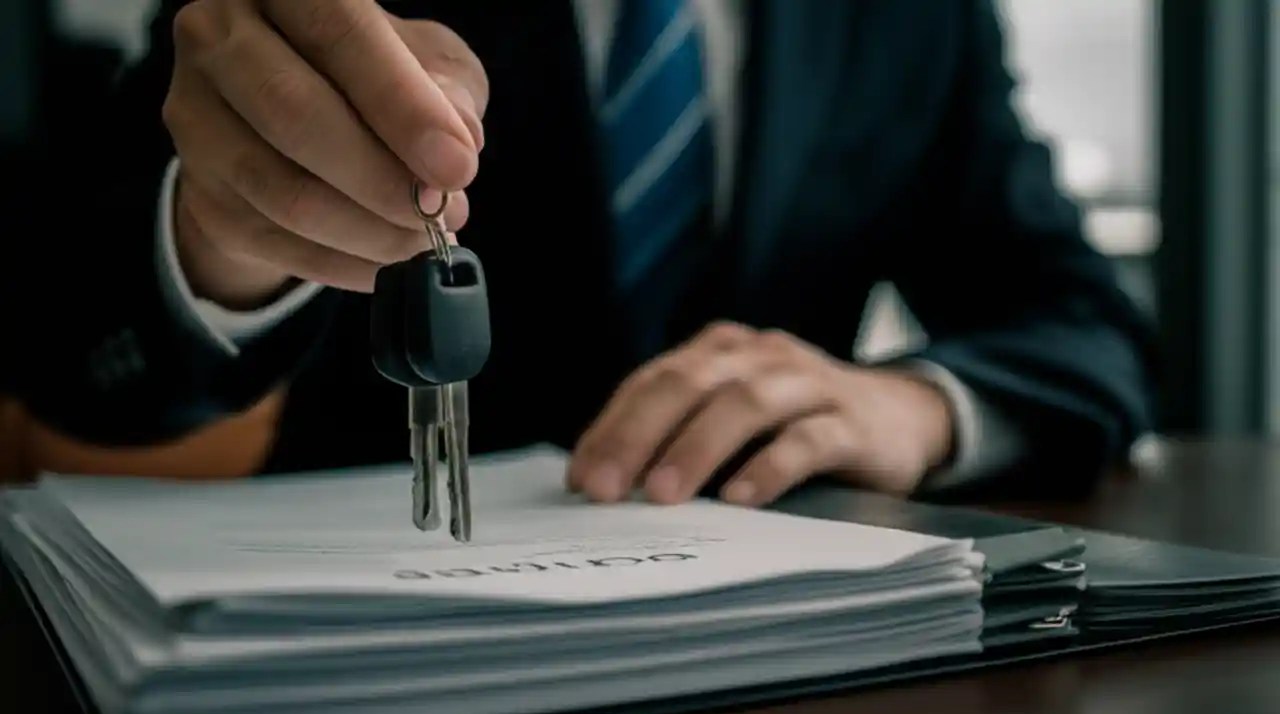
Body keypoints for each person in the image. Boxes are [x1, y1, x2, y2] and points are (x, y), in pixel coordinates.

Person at [14, 0, 1155, 506]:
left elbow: (1085, 330)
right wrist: (219, 238)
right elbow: (70, 338)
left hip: (790, 646)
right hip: (372, 657)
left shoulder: (909, 14)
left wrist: (912, 410)